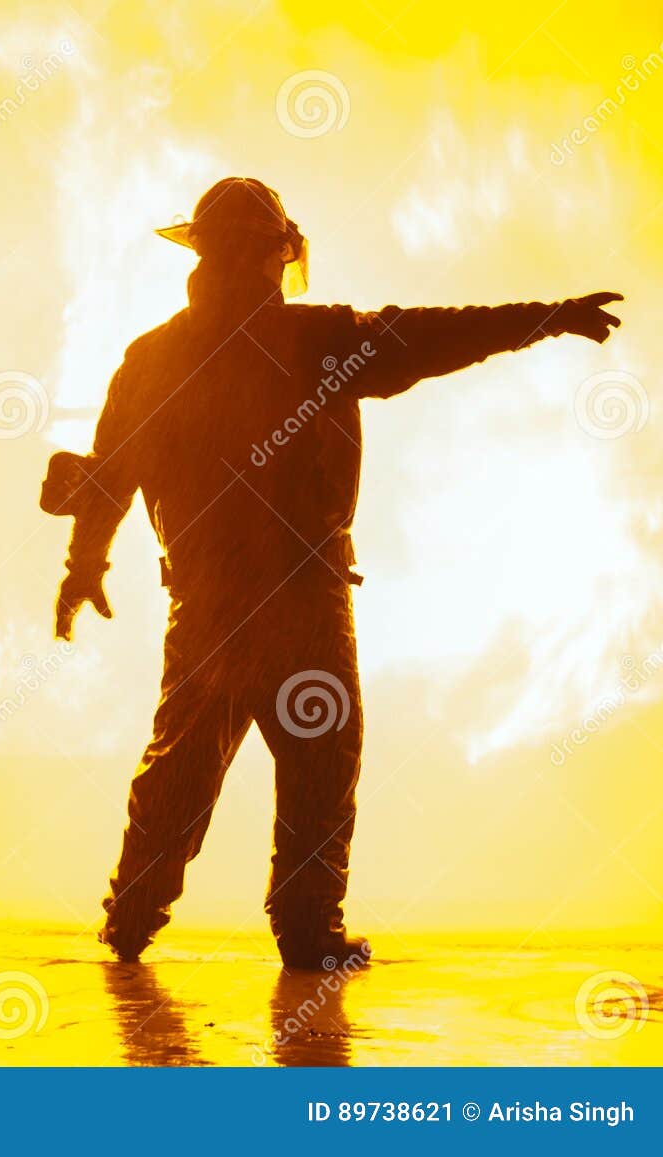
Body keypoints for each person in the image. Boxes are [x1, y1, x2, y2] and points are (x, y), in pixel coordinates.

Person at [44, 177, 622, 969]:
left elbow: (109, 474)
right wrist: (544, 320)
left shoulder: (153, 358)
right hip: (303, 602)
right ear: (279, 252)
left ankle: (134, 915)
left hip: (208, 605)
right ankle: (308, 935)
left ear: (200, 252)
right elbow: (432, 337)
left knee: (180, 765)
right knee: (319, 761)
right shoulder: (317, 340)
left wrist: (84, 564)